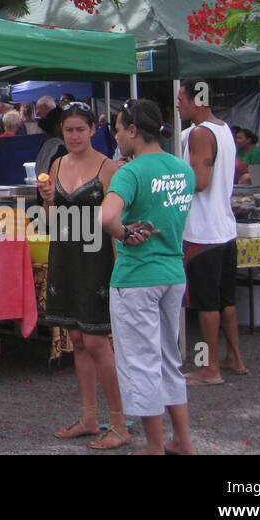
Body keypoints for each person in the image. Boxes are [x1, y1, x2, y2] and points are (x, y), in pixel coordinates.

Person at [100, 100, 197, 455]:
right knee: (169, 358)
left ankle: (154, 447)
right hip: (173, 271)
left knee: (140, 362)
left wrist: (124, 234)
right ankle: (182, 441)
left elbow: (106, 218)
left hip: (137, 277)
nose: (116, 135)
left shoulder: (131, 172)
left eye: (119, 128)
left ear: (134, 131)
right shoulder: (182, 169)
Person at [40, 102, 126, 449]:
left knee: (96, 340)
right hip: (65, 255)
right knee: (75, 338)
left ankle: (119, 422)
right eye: (68, 129)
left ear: (93, 129)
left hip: (97, 259)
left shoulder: (110, 168)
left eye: (80, 129)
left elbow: (118, 220)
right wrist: (47, 200)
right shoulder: (57, 163)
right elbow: (51, 222)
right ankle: (90, 416)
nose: (74, 135)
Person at [177, 81, 246, 384]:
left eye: (181, 99)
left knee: (206, 304)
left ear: (197, 101)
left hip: (202, 231)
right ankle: (235, 357)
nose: (178, 105)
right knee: (225, 300)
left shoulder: (199, 133)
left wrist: (171, 179)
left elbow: (200, 181)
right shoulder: (224, 128)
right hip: (225, 228)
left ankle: (210, 367)